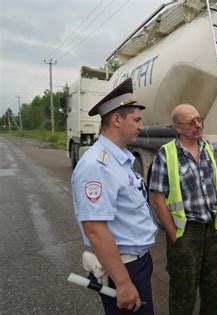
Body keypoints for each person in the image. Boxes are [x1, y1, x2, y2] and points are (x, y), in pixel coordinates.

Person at [71, 78, 158, 314]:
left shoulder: (121, 158)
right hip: (124, 267)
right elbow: (95, 230)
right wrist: (122, 282)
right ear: (117, 119)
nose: (141, 126)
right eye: (137, 120)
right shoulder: (96, 165)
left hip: (138, 262)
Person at [149, 104, 217, 315]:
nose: (198, 125)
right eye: (191, 122)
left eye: (199, 119)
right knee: (183, 291)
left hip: (212, 230)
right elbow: (158, 200)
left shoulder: (208, 147)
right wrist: (174, 234)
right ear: (178, 128)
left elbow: (213, 184)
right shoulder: (166, 154)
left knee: (212, 287)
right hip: (186, 233)